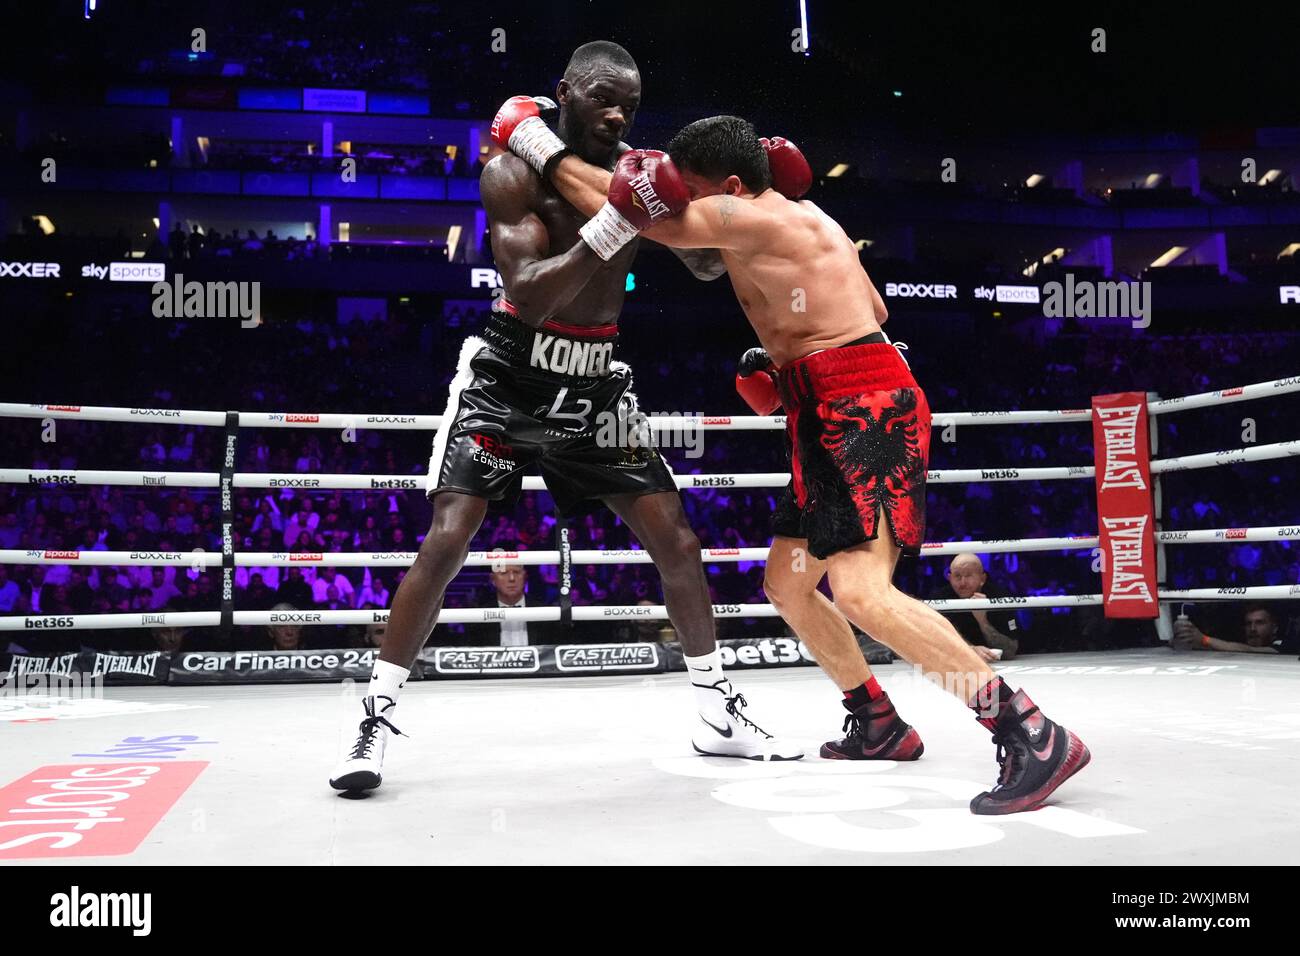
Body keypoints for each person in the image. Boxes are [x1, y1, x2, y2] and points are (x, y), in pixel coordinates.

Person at [527, 113, 1089, 814]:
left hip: (865, 410)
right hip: (830, 406)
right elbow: (873, 308)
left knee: (860, 590)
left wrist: (535, 143)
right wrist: (789, 368)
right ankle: (877, 722)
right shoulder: (800, 216)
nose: (685, 203)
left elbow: (646, 216)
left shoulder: (751, 214)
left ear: (729, 186)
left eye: (694, 191)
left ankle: (1028, 729)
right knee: (791, 584)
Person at [330, 43, 800, 795]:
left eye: (631, 106)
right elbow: (530, 289)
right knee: (451, 535)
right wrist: (618, 223)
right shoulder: (508, 172)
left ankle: (719, 712)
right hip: (510, 374)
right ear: (566, 93)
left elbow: (710, 264)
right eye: (603, 99)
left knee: (676, 539)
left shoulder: (633, 169)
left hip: (596, 385)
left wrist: (705, 206)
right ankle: (374, 720)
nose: (617, 115)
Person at [934, 553, 1021, 662]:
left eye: (969, 575)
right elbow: (931, 642)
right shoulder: (939, 600)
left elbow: (1010, 651)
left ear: (982, 578)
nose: (962, 583)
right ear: (949, 578)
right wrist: (969, 649)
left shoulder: (1000, 598)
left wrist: (982, 621)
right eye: (957, 576)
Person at [1172, 604, 1286, 654]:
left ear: (1274, 628)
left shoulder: (1283, 647)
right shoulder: (1236, 641)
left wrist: (1203, 639)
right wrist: (1183, 638)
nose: (1252, 628)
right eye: (1248, 623)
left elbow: (1251, 651)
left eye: (1260, 623)